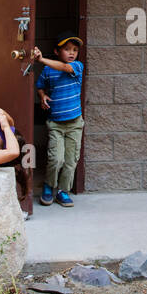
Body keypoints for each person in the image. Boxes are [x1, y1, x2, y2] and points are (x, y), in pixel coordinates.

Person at [33, 32, 85, 207]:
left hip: (75, 124)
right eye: (67, 49)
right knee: (56, 159)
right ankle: (49, 186)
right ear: (57, 51)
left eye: (75, 50)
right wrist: (42, 96)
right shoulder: (48, 71)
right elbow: (39, 85)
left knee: (70, 161)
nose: (71, 53)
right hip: (56, 123)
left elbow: (64, 68)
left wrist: (41, 59)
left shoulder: (77, 67)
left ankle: (63, 191)